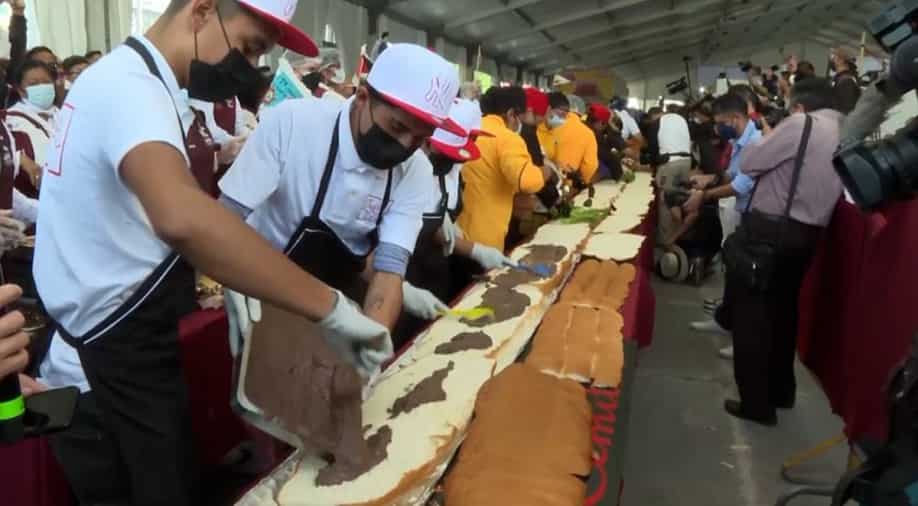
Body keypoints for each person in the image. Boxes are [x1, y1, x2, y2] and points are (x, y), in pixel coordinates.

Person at [34, 1, 389, 505]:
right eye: (247, 48)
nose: (246, 69)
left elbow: (135, 220)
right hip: (104, 362)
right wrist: (327, 307)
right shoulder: (128, 86)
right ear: (201, 11)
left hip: (129, 346)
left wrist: (227, 274)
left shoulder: (145, 85)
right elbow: (179, 214)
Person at [220, 43, 461, 336]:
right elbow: (224, 219)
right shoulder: (295, 123)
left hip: (342, 305)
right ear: (361, 98)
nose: (405, 145)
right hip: (260, 290)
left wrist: (373, 339)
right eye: (397, 127)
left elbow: (388, 273)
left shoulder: (415, 170)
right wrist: (233, 272)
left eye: (420, 138)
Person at [721, 78, 842, 426]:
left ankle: (756, 403)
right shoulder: (841, 129)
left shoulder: (802, 124)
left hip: (770, 232)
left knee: (752, 321)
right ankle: (780, 390)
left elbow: (751, 162)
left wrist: (772, 132)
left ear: (800, 105)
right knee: (782, 316)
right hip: (807, 235)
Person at [395, 98, 514, 347]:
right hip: (400, 272)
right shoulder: (405, 167)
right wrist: (399, 289)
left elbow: (432, 215)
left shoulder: (444, 168)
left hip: (433, 269)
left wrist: (452, 229)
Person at [684, 92, 762, 359]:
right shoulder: (741, 141)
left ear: (735, 118)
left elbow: (741, 185)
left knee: (743, 282)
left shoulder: (755, 142)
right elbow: (730, 173)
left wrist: (703, 196)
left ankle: (742, 339)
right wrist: (708, 178)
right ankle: (725, 320)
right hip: (739, 214)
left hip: (752, 216)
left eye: (720, 123)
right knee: (731, 272)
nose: (718, 129)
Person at [6, 59, 57, 198]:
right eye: (34, 84)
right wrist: (20, 158)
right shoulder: (11, 120)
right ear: (21, 90)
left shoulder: (64, 115)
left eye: (46, 82)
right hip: (35, 198)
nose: (42, 86)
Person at [654, 107, 694, 249]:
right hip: (686, 162)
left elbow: (654, 148)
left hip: (670, 164)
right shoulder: (682, 121)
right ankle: (678, 236)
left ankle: (665, 242)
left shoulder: (660, 121)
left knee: (665, 200)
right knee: (677, 198)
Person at [539, 92, 598, 188]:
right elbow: (590, 166)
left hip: (548, 181)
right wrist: (583, 181)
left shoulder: (547, 127)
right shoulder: (588, 133)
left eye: (564, 116)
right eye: (561, 114)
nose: (562, 119)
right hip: (562, 183)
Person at [587, 102, 625, 181]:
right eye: (606, 125)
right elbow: (612, 158)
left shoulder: (585, 128)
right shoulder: (594, 135)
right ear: (601, 123)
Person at [830, 47, 861, 114]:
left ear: (841, 60)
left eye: (834, 57)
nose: (832, 60)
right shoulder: (841, 78)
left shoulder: (846, 81)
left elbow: (847, 109)